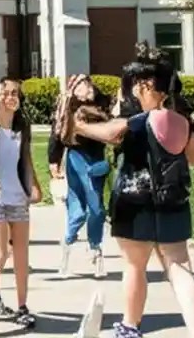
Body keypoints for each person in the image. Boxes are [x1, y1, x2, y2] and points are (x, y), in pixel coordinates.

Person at [74, 43, 194, 338]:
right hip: (173, 202)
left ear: (148, 85)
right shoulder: (185, 123)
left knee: (134, 266)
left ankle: (130, 326)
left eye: (138, 86)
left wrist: (79, 126)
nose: (134, 92)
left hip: (136, 202)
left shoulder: (141, 121)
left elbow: (109, 133)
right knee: (180, 267)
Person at [0, 78, 41, 328]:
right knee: (0, 254)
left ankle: (23, 305)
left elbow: (25, 160)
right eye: (6, 93)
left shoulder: (21, 128)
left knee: (22, 255)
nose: (11, 97)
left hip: (17, 198)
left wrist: (33, 187)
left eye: (15, 93)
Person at [48, 73, 113, 278]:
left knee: (96, 209)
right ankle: (67, 245)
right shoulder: (68, 107)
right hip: (77, 157)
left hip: (98, 158)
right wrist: (54, 160)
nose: (86, 87)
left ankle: (95, 248)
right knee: (78, 210)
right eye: (80, 85)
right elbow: (57, 133)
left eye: (87, 83)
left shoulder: (104, 103)